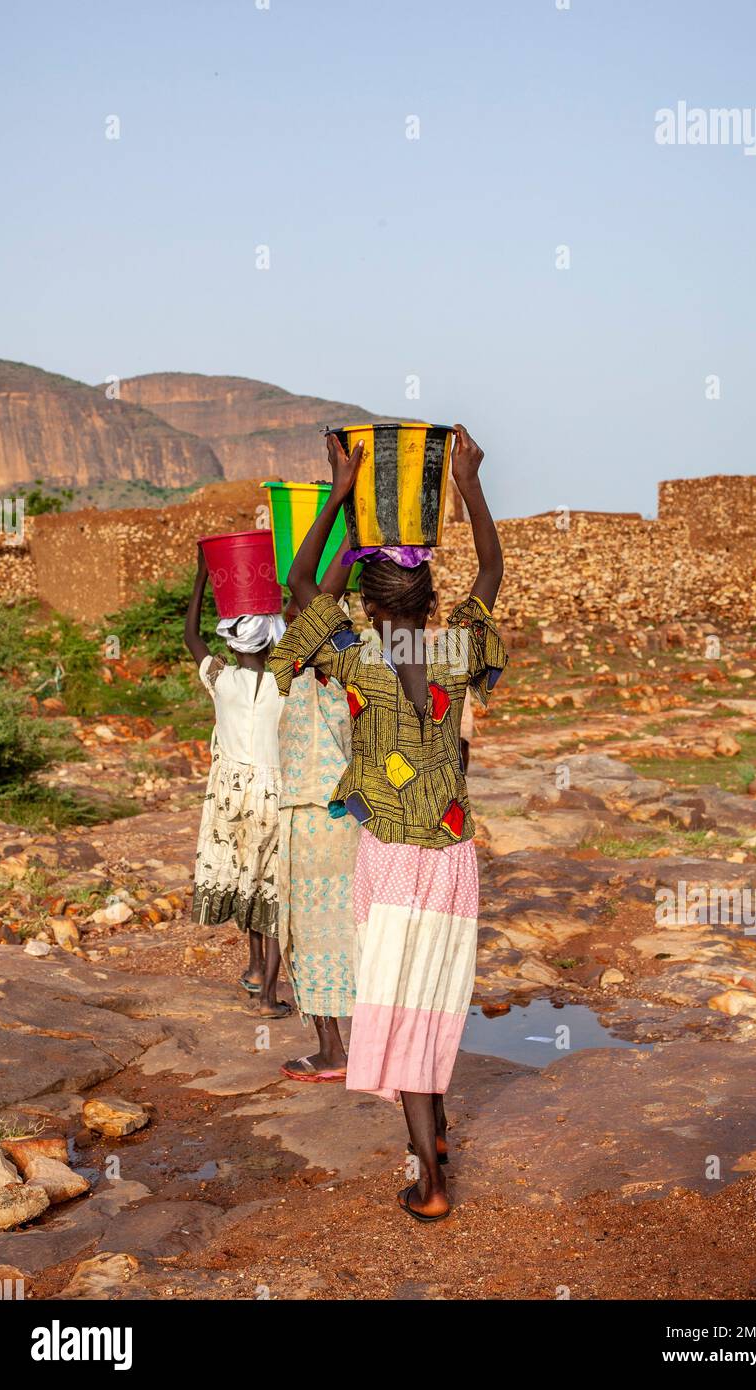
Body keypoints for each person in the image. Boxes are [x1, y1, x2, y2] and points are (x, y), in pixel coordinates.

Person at [268, 424, 506, 1222]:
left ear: (367, 607)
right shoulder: (455, 648)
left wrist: (339, 491)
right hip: (452, 856)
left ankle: (430, 1182)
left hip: (391, 854)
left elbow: (301, 584)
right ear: (433, 599)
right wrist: (469, 482)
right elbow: (493, 568)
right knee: (433, 997)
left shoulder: (356, 658)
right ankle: (431, 1138)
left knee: (399, 1002)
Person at [184, 547, 290, 1019]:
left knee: (246, 880)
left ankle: (253, 970)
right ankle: (267, 995)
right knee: (272, 890)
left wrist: (203, 577)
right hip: (272, 793)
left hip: (228, 794)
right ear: (273, 644)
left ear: (231, 646)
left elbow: (191, 635)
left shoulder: (220, 679)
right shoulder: (285, 684)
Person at [276, 548, 360, 1082]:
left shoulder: (299, 662)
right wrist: (352, 539)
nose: (289, 613)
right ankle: (376, 1050)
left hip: (312, 818)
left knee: (311, 933)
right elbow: (316, 598)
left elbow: (308, 590)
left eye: (295, 609)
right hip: (349, 815)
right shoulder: (359, 660)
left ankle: (333, 1050)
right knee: (355, 929)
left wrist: (342, 516)